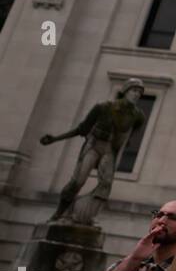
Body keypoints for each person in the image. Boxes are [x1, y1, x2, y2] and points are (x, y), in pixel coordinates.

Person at [40, 78, 147, 223]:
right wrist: (55, 138)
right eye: (134, 91)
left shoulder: (138, 116)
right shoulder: (103, 107)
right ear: (125, 91)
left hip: (109, 149)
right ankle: (59, 213)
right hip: (94, 146)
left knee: (106, 184)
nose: (137, 95)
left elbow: (132, 132)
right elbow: (81, 129)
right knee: (78, 181)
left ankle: (84, 214)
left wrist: (125, 142)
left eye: (140, 92)